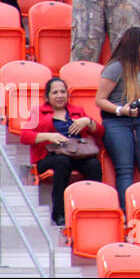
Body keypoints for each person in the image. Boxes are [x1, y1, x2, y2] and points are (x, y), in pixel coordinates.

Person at [20, 77, 104, 227]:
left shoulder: (78, 111)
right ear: (47, 97)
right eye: (55, 92)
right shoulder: (38, 112)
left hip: (77, 153)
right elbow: (25, 135)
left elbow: (101, 132)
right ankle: (59, 213)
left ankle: (91, 210)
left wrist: (87, 122)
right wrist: (47, 136)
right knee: (62, 163)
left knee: (94, 165)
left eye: (62, 92)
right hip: (49, 156)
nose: (59, 96)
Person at [93, 27, 140, 212]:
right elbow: (100, 100)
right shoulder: (115, 68)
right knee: (125, 169)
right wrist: (121, 110)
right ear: (133, 46)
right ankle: (126, 211)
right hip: (117, 122)